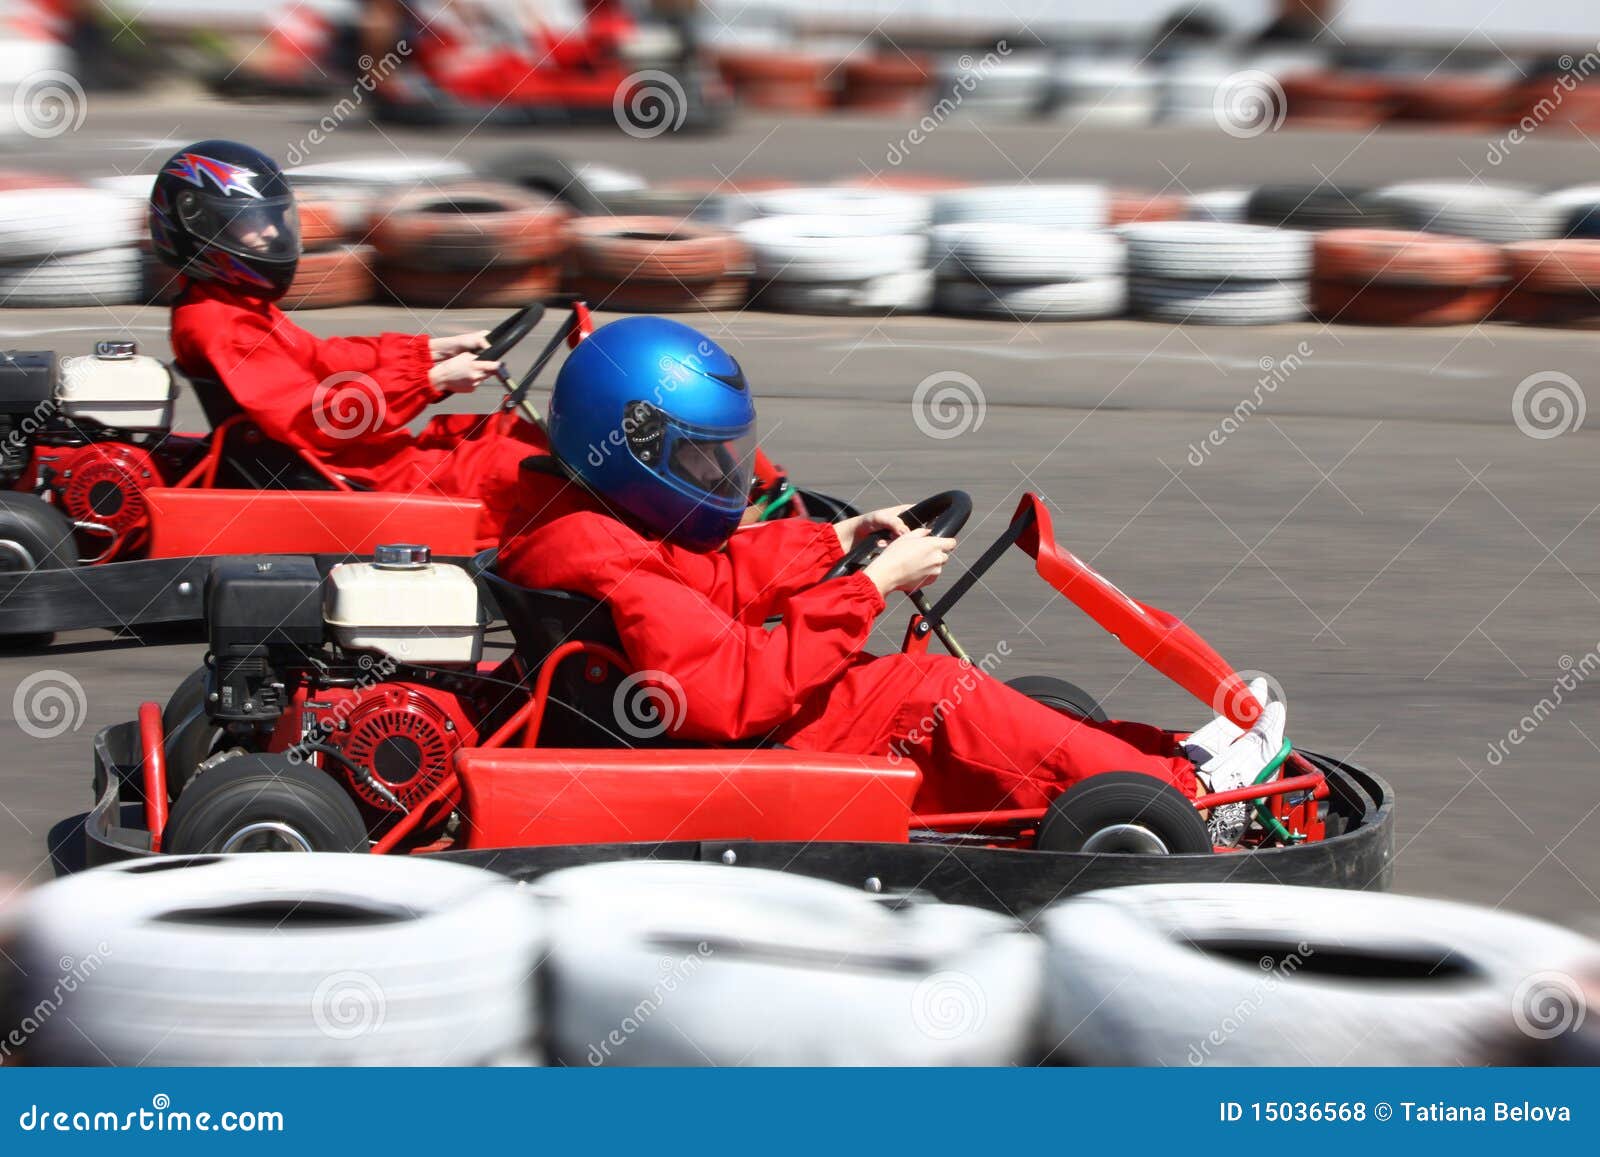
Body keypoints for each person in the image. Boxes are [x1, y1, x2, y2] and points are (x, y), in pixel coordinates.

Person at [497, 317, 1286, 832]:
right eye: (699, 458)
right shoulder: (600, 550)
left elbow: (700, 586)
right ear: (630, 445)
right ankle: (1187, 795)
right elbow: (731, 687)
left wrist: (834, 539)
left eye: (721, 455)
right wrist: (867, 588)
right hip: (720, 743)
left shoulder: (580, 520)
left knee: (926, 687)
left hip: (688, 715)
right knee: (934, 694)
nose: (719, 473)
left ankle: (1144, 760)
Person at [155, 139, 546, 546]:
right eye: (249, 222)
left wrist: (427, 353)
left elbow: (324, 358)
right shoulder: (218, 324)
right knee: (523, 467)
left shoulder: (235, 305)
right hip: (350, 474)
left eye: (271, 219)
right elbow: (318, 419)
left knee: (508, 432)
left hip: (364, 457)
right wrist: (430, 381)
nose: (271, 232)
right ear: (200, 226)